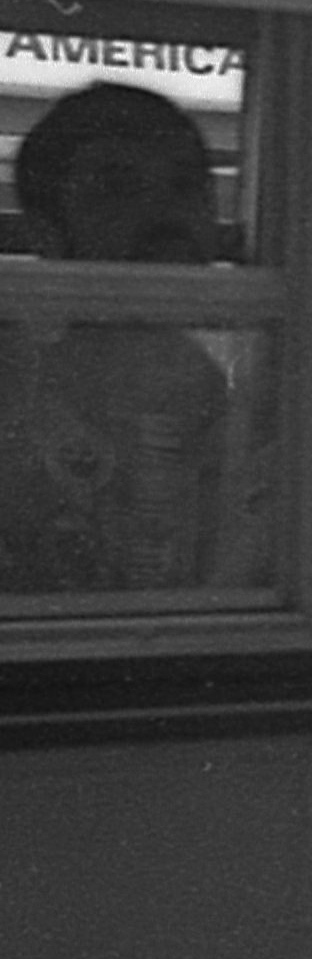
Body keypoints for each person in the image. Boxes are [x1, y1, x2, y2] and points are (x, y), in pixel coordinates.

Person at [0, 81, 249, 594]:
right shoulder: (15, 384)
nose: (167, 215)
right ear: (47, 234)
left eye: (185, 186)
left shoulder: (202, 381)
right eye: (117, 189)